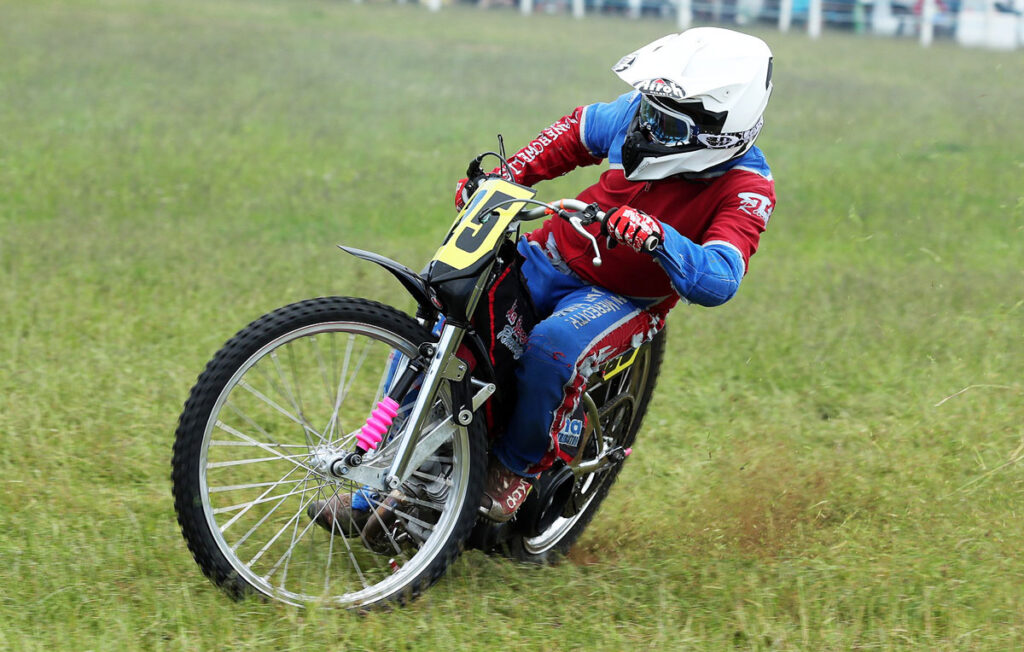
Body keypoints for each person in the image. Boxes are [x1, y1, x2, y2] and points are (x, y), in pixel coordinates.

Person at [310, 26, 776, 534]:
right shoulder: (635, 114)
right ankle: (372, 481)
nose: (644, 128)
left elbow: (722, 277)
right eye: (647, 111)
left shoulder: (748, 188)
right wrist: (507, 177)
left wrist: (659, 237)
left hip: (624, 298)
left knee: (554, 346)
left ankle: (514, 467)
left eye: (664, 125)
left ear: (718, 134)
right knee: (443, 313)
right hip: (549, 250)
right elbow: (576, 131)